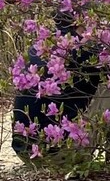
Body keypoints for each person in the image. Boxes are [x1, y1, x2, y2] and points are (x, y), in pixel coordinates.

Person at [9, 13, 103, 159]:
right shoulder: (83, 51)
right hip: (55, 153)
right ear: (81, 21)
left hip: (25, 150)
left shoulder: (40, 46)